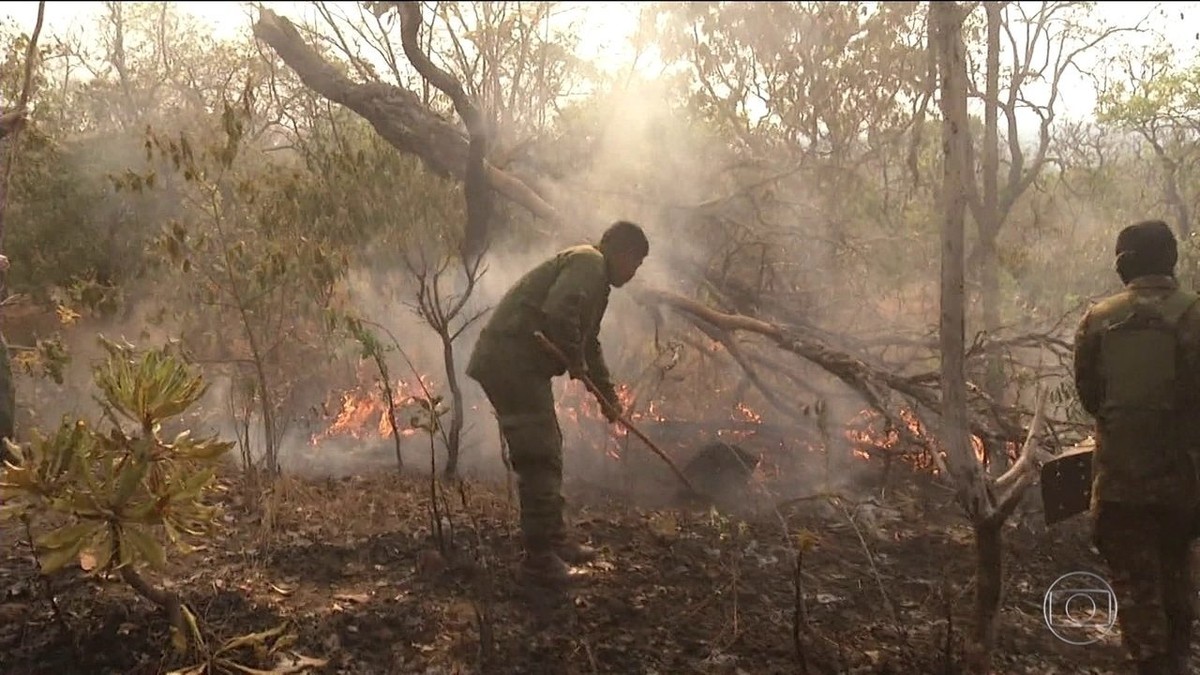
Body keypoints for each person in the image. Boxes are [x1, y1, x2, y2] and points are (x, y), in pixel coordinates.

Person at [466, 221, 649, 587]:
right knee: (539, 455)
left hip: (519, 366)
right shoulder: (589, 263)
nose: (633, 272)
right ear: (622, 252)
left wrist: (607, 396)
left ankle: (554, 538)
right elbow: (560, 313)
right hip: (509, 362)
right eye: (635, 263)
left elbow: (588, 340)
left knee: (548, 448)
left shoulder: (596, 281)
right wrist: (575, 362)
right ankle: (538, 560)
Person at [1073, 219, 1200, 674]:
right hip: (1185, 487)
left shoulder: (1099, 320)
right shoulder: (1194, 314)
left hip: (1121, 485)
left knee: (1140, 604)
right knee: (1176, 590)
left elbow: (1090, 397)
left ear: (1123, 264)